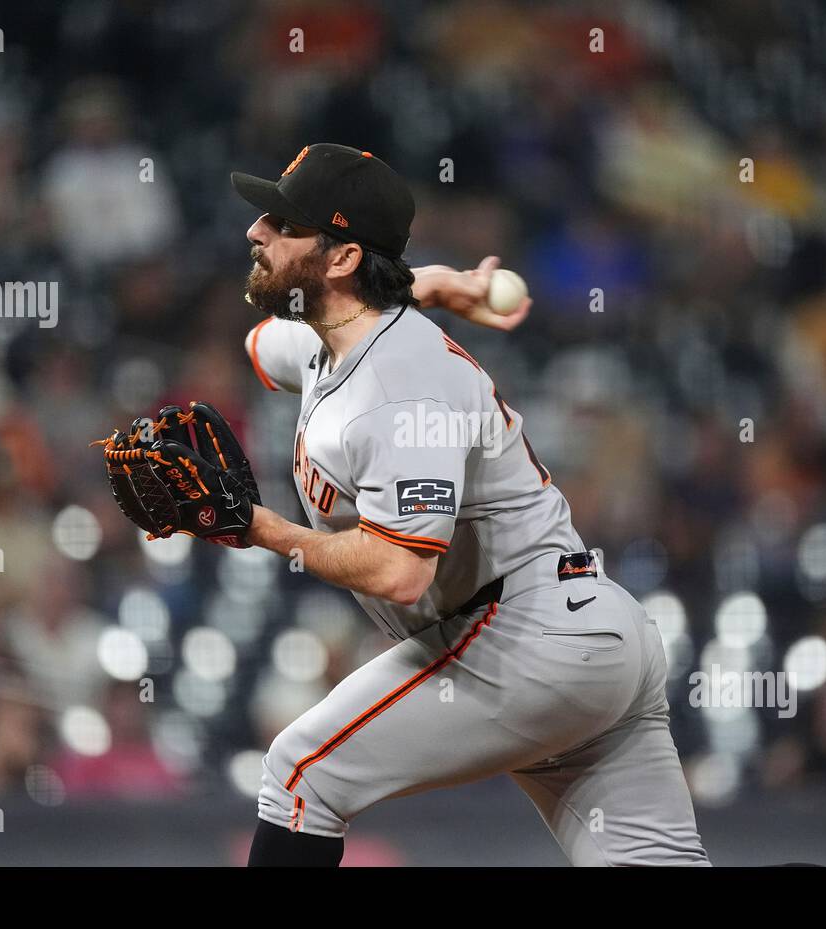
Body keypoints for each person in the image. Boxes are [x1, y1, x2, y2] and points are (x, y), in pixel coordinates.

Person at [232, 143, 708, 866]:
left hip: (526, 635)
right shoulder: (333, 341)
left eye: (283, 222)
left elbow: (399, 572)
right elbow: (262, 341)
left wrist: (257, 528)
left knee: (301, 776)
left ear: (340, 260)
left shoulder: (403, 385)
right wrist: (427, 284)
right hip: (577, 635)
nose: (255, 233)